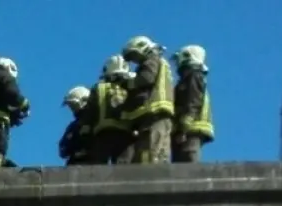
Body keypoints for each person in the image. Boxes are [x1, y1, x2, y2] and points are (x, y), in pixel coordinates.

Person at [123, 35, 175, 164]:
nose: (135, 60)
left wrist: (129, 83)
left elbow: (147, 78)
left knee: (150, 149)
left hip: (154, 112)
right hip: (163, 114)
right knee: (161, 150)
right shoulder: (161, 62)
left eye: (135, 55)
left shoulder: (151, 60)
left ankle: (149, 174)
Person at [87, 56, 137, 166]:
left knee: (99, 166)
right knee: (124, 167)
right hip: (126, 134)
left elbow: (89, 113)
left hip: (103, 134)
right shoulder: (131, 88)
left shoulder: (98, 88)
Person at [173, 45, 213, 164]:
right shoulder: (192, 76)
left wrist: (185, 125)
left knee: (188, 157)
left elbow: (193, 100)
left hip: (191, 127)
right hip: (189, 127)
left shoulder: (193, 75)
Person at [60, 86, 92, 165]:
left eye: (73, 106)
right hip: (76, 166)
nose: (72, 109)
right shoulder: (74, 126)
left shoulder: (96, 123)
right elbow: (62, 149)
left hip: (94, 165)